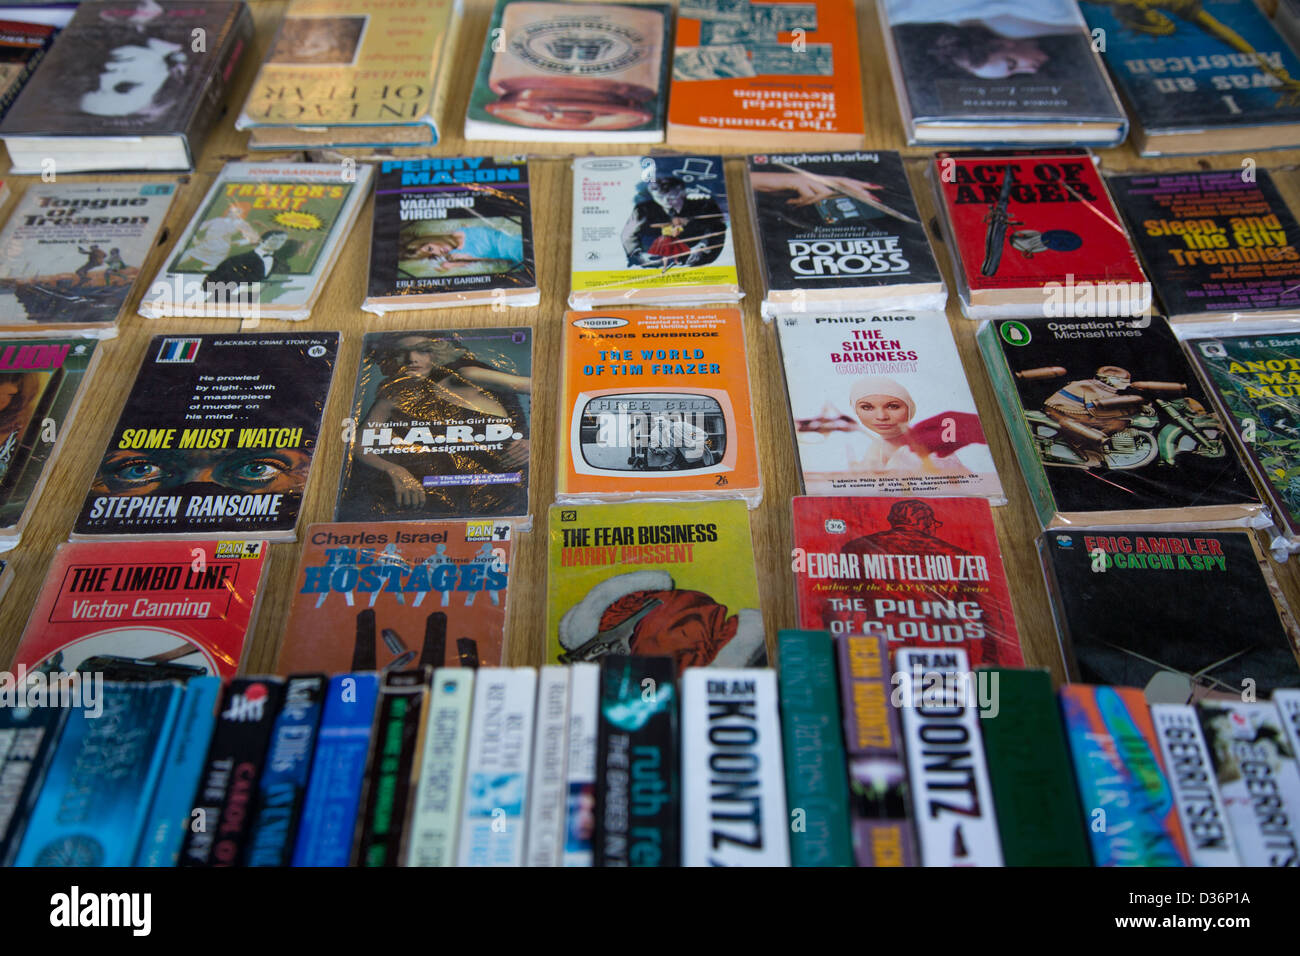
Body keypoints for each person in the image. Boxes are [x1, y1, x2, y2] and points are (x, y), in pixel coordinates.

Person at [347, 333, 531, 518]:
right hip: (437, 504)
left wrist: (534, 442)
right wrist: (394, 470)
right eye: (401, 353)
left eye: (423, 350)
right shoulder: (395, 395)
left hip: (504, 495)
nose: (412, 359)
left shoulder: (467, 375)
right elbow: (358, 446)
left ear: (438, 353)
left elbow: (543, 387)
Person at [840, 375, 976, 478]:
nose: (881, 416)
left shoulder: (933, 451)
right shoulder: (876, 448)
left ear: (909, 409)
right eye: (867, 407)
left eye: (893, 406)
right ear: (855, 410)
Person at [621, 160, 726, 269]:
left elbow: (717, 229)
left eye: (671, 197)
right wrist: (638, 255)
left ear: (681, 190)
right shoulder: (643, 209)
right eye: (660, 198)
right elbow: (628, 235)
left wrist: (702, 246)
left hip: (698, 262)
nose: (666, 202)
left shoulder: (704, 204)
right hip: (656, 263)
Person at [399, 225, 523, 274]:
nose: (438, 252)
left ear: (430, 238)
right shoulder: (455, 255)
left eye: (430, 248)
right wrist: (453, 265)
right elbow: (495, 263)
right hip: (515, 260)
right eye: (432, 255)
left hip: (515, 243)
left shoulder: (461, 229)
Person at [204, 230, 296, 289]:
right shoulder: (237, 260)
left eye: (282, 240)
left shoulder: (280, 264)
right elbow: (208, 284)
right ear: (262, 240)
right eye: (275, 239)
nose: (279, 243)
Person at [186, 202, 260, 271]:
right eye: (231, 210)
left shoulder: (241, 223)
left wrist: (236, 243)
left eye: (237, 211)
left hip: (218, 252)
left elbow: (255, 238)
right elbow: (195, 228)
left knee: (206, 270)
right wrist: (195, 239)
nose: (231, 212)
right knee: (185, 256)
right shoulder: (217, 220)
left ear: (242, 213)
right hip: (203, 247)